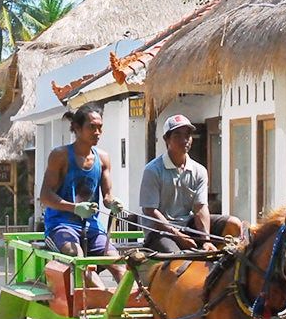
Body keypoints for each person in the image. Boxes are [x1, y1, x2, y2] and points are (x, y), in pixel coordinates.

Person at [39, 102, 123, 282]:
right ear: (76, 128)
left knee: (118, 263)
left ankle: (124, 306)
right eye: (92, 127)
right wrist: (75, 208)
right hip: (61, 225)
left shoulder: (103, 158)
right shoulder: (60, 155)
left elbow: (107, 196)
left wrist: (113, 203)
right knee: (78, 258)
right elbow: (45, 196)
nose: (97, 133)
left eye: (100, 128)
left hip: (92, 227)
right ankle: (101, 301)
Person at [139, 114, 244, 254]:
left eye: (188, 135)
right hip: (160, 232)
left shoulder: (199, 170)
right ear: (166, 139)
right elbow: (149, 211)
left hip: (189, 226)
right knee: (177, 259)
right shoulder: (152, 170)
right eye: (177, 135)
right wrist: (177, 235)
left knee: (234, 224)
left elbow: (200, 208)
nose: (184, 140)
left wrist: (206, 240)